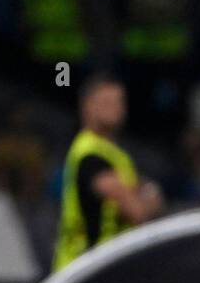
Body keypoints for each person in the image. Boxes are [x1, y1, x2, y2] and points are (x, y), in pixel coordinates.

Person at [52, 74, 163, 271]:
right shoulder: (90, 154)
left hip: (107, 267)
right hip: (82, 270)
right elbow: (137, 211)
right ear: (86, 106)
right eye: (105, 102)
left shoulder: (116, 155)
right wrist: (148, 196)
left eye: (118, 101)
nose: (114, 108)